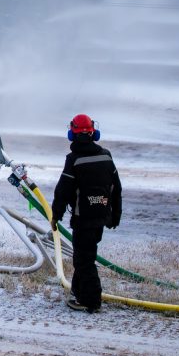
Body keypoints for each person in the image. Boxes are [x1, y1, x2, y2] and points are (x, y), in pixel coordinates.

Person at [51, 113, 121, 313]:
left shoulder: (74, 160)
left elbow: (63, 191)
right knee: (85, 256)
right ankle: (77, 293)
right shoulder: (106, 156)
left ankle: (91, 300)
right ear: (93, 133)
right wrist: (115, 216)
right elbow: (117, 189)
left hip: (83, 219)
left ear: (72, 135)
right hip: (100, 218)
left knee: (84, 260)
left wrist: (55, 215)